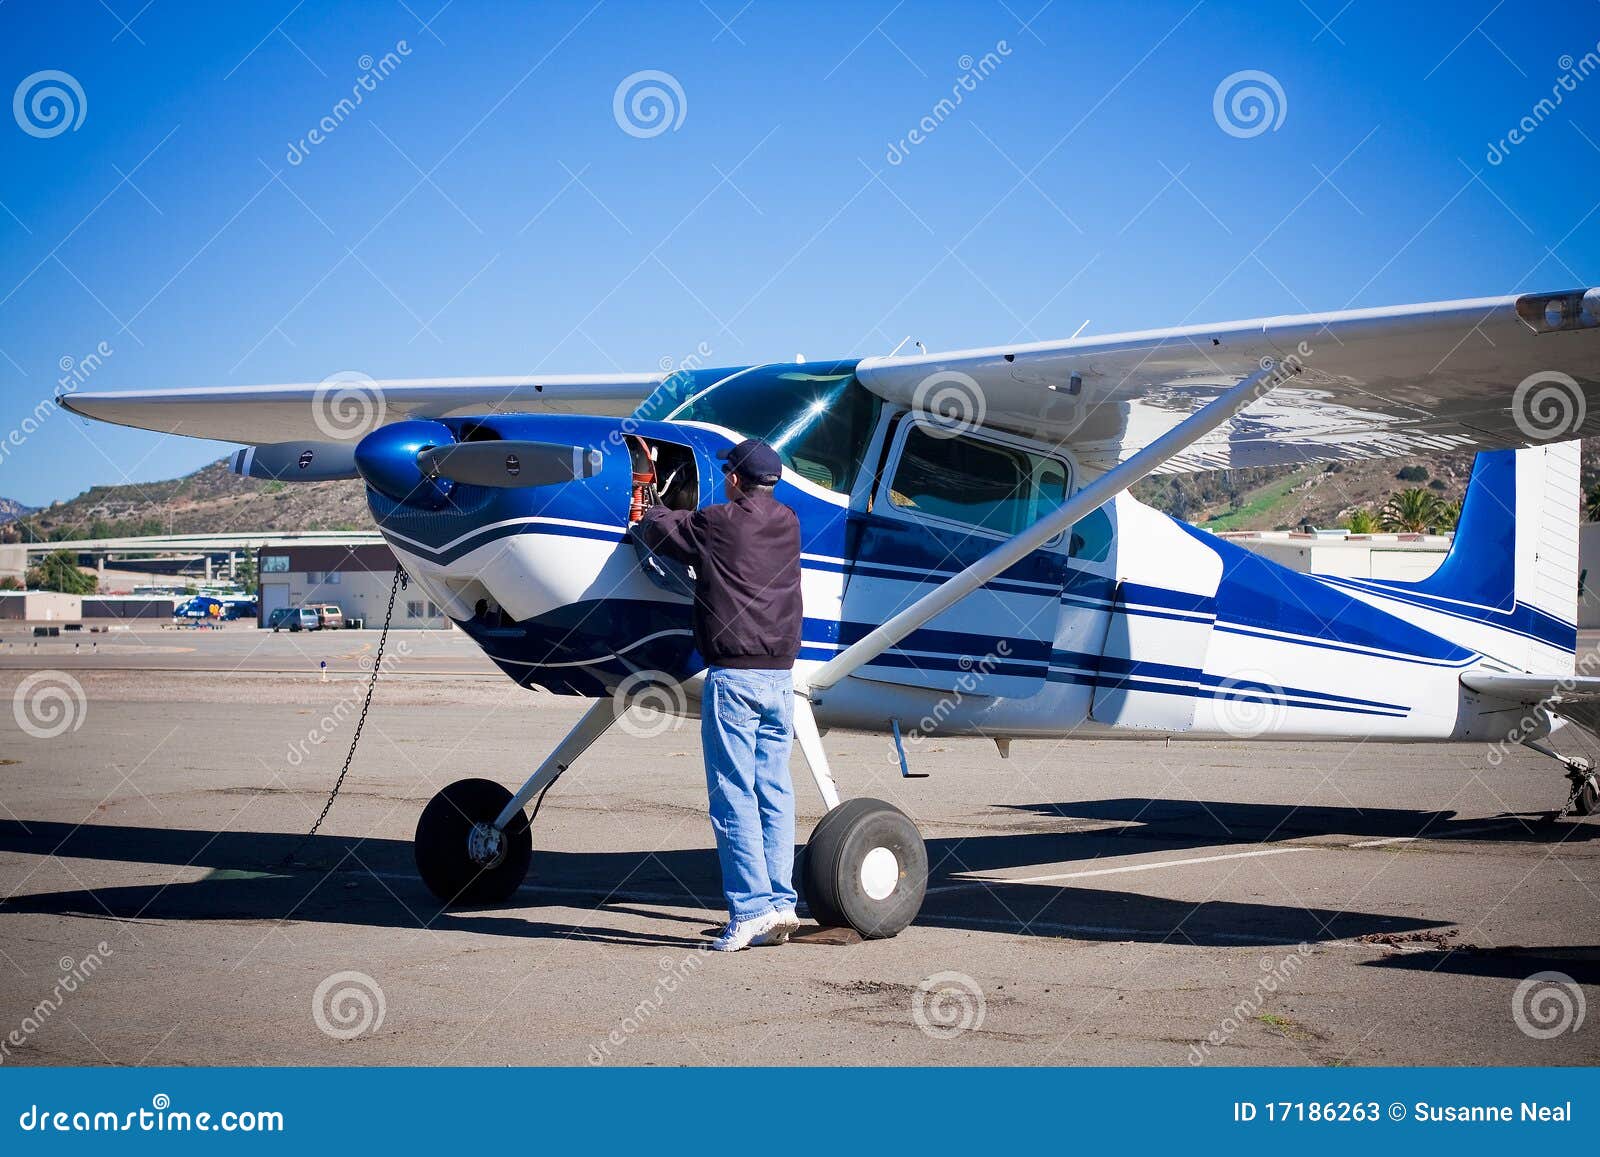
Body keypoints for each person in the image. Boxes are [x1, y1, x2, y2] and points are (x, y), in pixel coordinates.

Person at [634, 438, 804, 951]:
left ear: (733, 479)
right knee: (773, 791)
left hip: (735, 678)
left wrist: (648, 497)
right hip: (781, 679)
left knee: (732, 795)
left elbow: (660, 530)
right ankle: (781, 903)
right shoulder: (789, 522)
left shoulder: (719, 522)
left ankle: (750, 911)